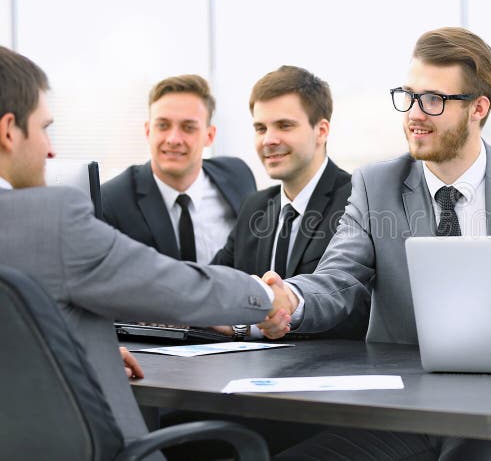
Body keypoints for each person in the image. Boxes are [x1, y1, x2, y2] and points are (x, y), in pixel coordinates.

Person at [264, 27, 491, 460]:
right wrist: (291, 297)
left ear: (479, 107)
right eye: (408, 96)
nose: (414, 114)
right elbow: (339, 277)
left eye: (433, 100)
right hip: (407, 410)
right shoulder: (375, 185)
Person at [0, 46, 290, 453]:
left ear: (208, 135)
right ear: (9, 131)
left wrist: (70, 351)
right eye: (44, 127)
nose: (50, 149)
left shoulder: (234, 178)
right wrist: (265, 296)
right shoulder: (54, 218)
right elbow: (171, 284)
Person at [212, 65, 369, 339]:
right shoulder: (255, 207)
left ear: (321, 130)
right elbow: (216, 286)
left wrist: (243, 324)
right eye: (260, 128)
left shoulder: (358, 200)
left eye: (284, 125)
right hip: (254, 373)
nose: (269, 140)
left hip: (332, 371)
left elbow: (359, 308)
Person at [101, 74, 256, 264]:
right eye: (163, 125)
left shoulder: (238, 175)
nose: (173, 139)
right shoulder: (111, 200)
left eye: (188, 127)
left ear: (209, 135)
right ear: (148, 131)